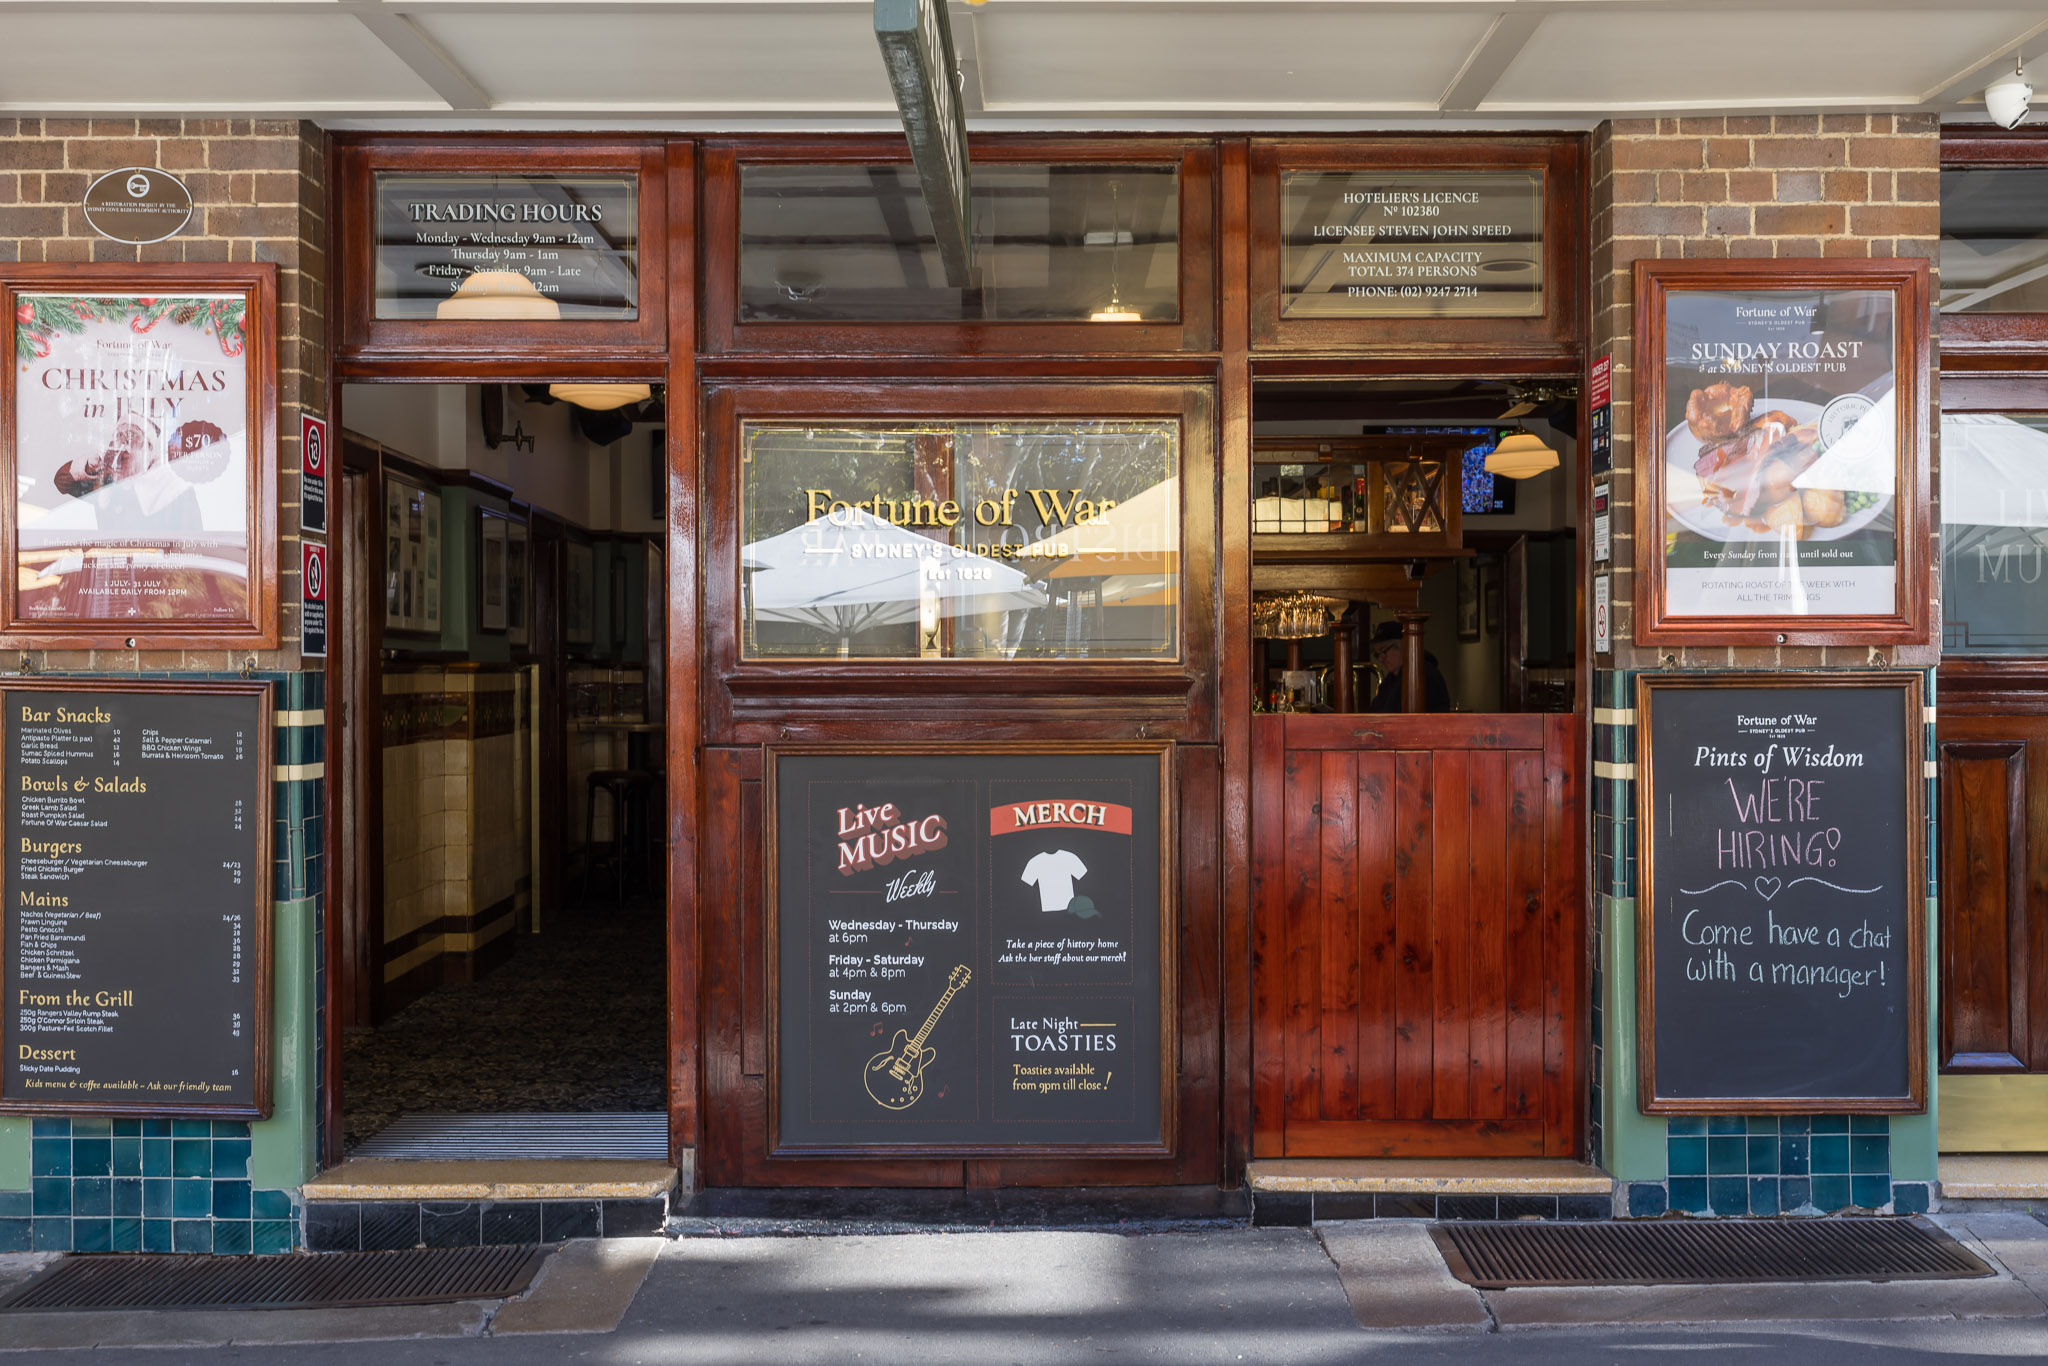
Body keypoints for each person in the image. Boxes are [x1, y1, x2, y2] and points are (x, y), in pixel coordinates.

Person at [1367, 620, 1451, 713]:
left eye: (1383, 652)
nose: (1380, 659)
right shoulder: (1391, 679)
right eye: (1377, 654)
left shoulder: (1423, 675)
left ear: (1403, 646)